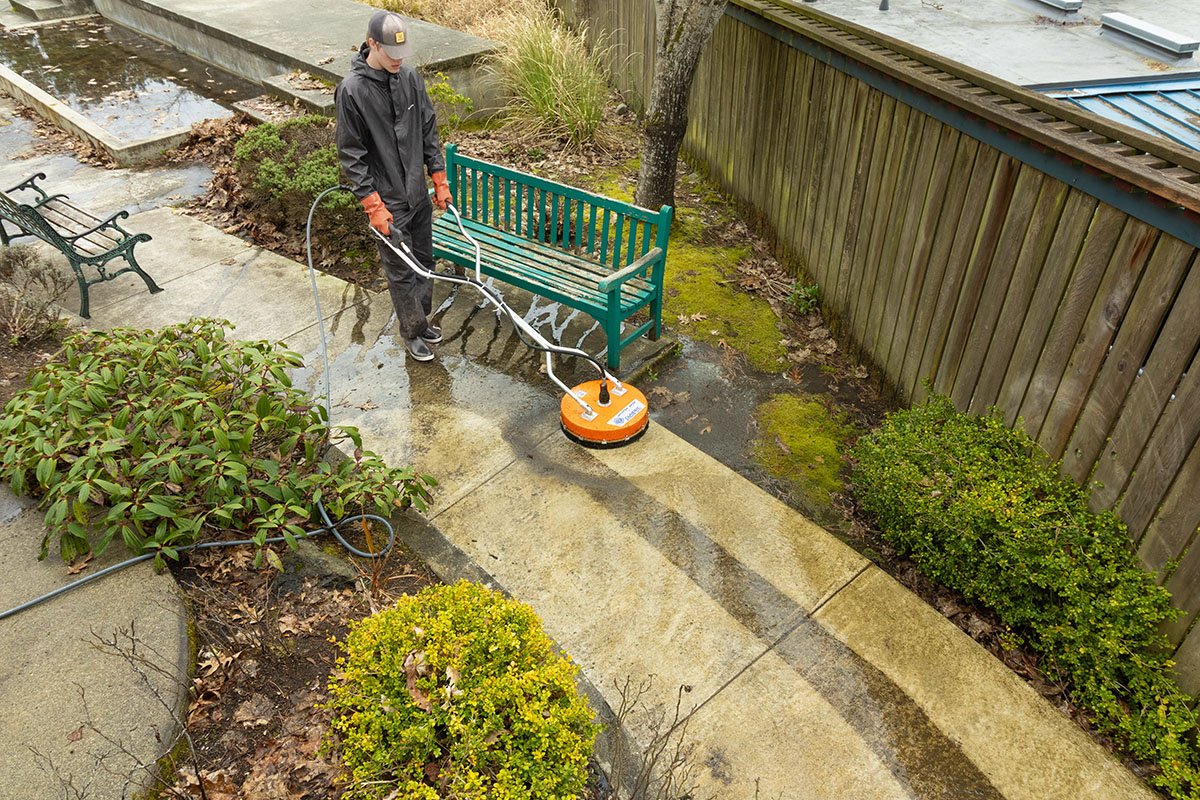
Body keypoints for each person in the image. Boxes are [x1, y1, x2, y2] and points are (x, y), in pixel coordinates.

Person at [335, 10, 453, 362]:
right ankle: (412, 331)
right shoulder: (352, 91)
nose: (399, 60)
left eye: (403, 54)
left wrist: (439, 178)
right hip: (387, 201)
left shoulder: (410, 79)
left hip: (417, 193)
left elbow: (428, 130)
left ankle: (422, 319)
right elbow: (351, 154)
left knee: (425, 262)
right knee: (402, 272)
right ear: (372, 44)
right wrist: (373, 205)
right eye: (391, 54)